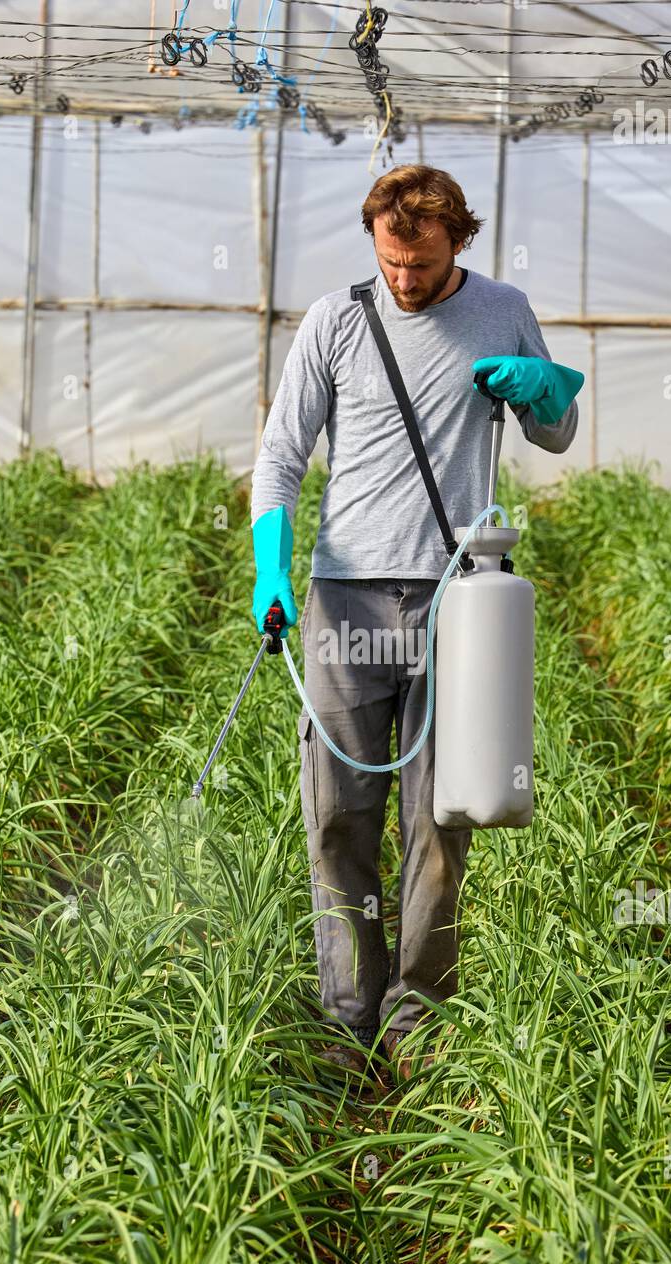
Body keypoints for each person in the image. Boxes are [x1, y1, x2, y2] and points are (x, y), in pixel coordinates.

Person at [249, 164, 582, 1085]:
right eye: (391, 260)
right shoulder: (336, 319)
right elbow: (280, 457)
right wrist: (271, 569)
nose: (405, 279)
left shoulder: (503, 306)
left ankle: (416, 1016)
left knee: (442, 820)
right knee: (339, 816)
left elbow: (556, 435)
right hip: (345, 599)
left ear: (460, 243)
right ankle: (346, 1014)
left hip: (459, 599)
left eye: (423, 263)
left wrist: (541, 388)